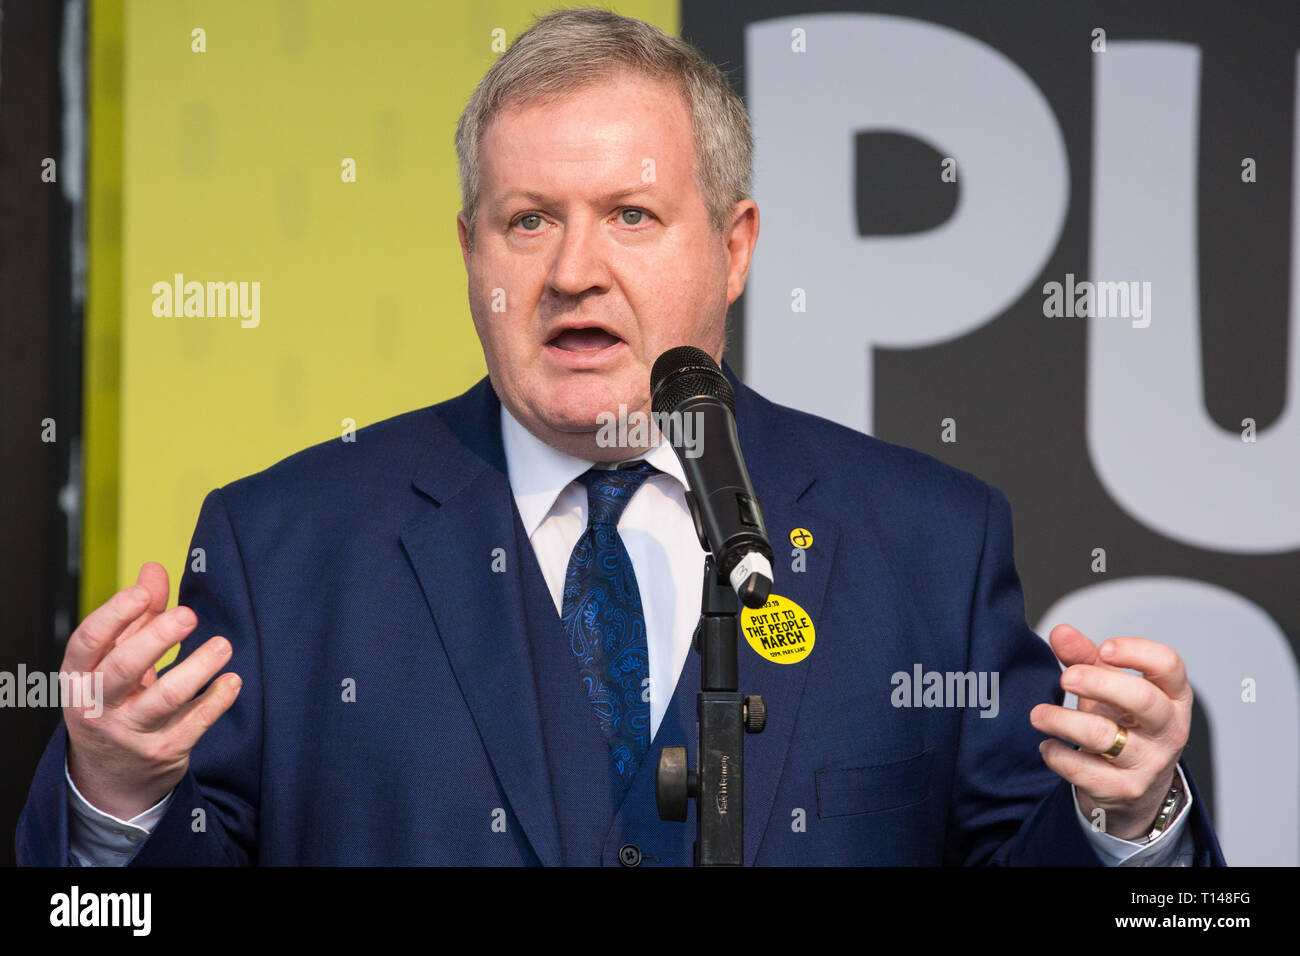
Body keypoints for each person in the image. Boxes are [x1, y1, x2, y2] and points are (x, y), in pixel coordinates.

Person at [18, 7, 1224, 866]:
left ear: (735, 244)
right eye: (526, 219)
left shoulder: (927, 543)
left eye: (631, 215)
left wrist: (1130, 820)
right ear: (469, 254)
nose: (572, 271)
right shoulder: (283, 546)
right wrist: (112, 800)